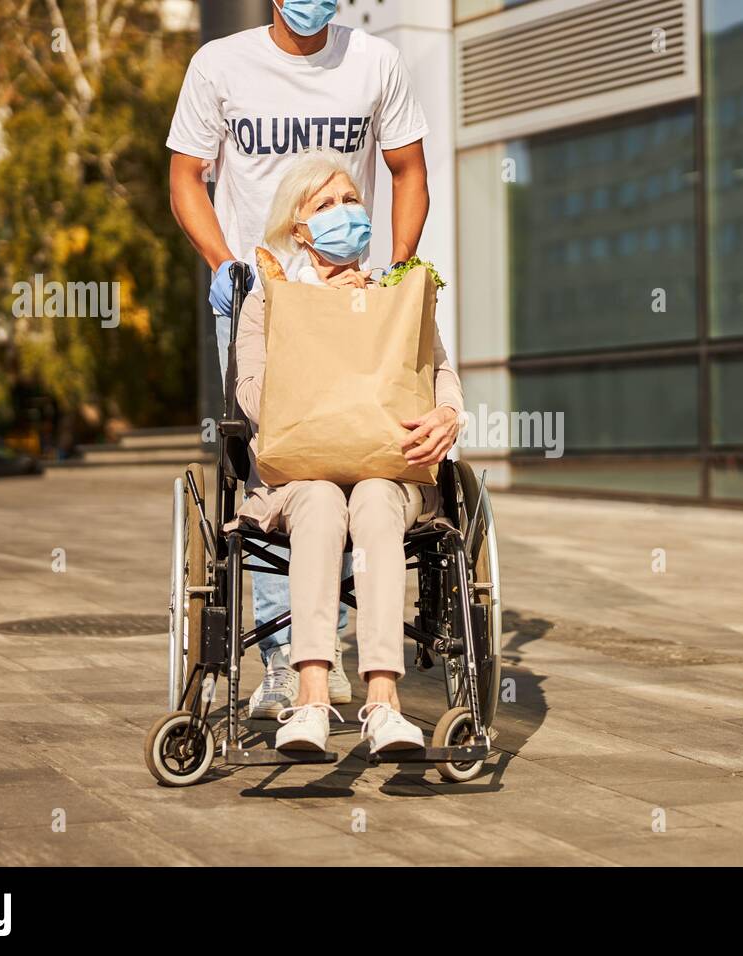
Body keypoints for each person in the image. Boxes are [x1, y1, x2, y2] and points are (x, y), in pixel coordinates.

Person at [166, 0, 431, 718]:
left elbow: (408, 172)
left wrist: (399, 275)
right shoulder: (220, 65)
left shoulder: (374, 62)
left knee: (356, 453)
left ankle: (335, 649)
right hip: (262, 300)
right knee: (280, 461)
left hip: (351, 297)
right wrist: (224, 263)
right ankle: (288, 658)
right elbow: (187, 176)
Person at [233, 150, 462, 753]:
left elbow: (440, 374)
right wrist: (324, 323)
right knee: (318, 502)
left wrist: (446, 417)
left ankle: (383, 702)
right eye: (325, 205)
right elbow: (252, 394)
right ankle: (311, 698)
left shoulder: (398, 293)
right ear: (298, 230)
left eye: (351, 200)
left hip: (387, 468)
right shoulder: (270, 302)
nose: (344, 214)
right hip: (302, 475)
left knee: (377, 499)